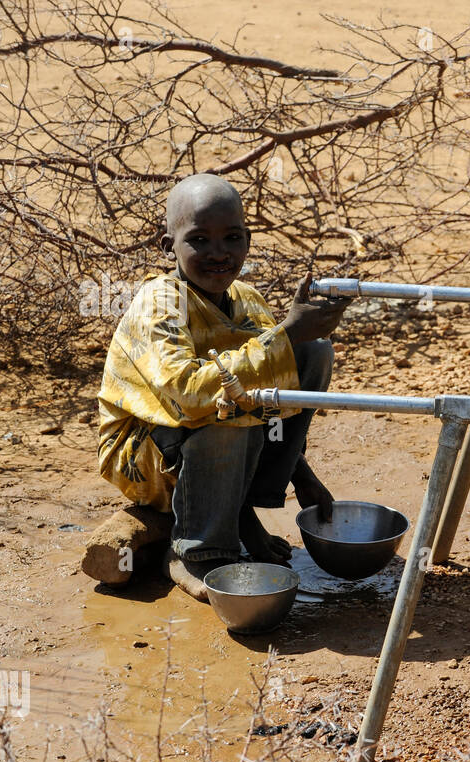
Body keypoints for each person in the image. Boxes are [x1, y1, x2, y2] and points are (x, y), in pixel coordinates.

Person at [97, 174, 347, 602]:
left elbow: (270, 391)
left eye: (232, 238)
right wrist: (284, 335)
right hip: (144, 452)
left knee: (311, 353)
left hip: (216, 438)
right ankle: (194, 551)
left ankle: (237, 509)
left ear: (248, 239)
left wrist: (299, 474)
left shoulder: (246, 297)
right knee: (229, 402)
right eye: (199, 240)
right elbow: (190, 394)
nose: (219, 254)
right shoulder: (159, 302)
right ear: (168, 245)